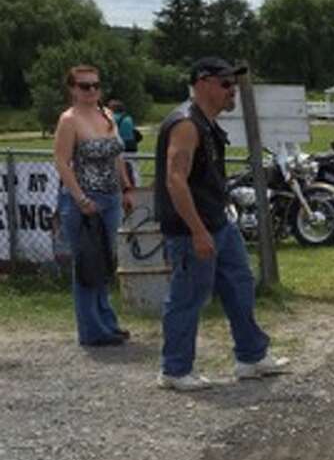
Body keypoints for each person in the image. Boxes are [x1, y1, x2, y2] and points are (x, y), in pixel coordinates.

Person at [154, 57, 287, 390]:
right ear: (203, 83)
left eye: (235, 85)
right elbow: (175, 179)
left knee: (240, 285)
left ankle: (251, 356)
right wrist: (197, 230)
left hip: (218, 222)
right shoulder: (186, 124)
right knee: (188, 296)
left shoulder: (206, 123)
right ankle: (174, 370)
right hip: (192, 228)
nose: (233, 92)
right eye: (226, 84)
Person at [52, 65, 135, 347]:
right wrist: (80, 198)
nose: (91, 91)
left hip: (110, 197)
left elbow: (117, 156)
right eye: (84, 86)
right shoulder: (69, 120)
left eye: (95, 86)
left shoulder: (107, 114)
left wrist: (125, 187)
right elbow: (62, 162)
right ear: (72, 88)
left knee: (104, 264)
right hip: (83, 201)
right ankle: (91, 329)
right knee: (87, 265)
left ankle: (106, 322)